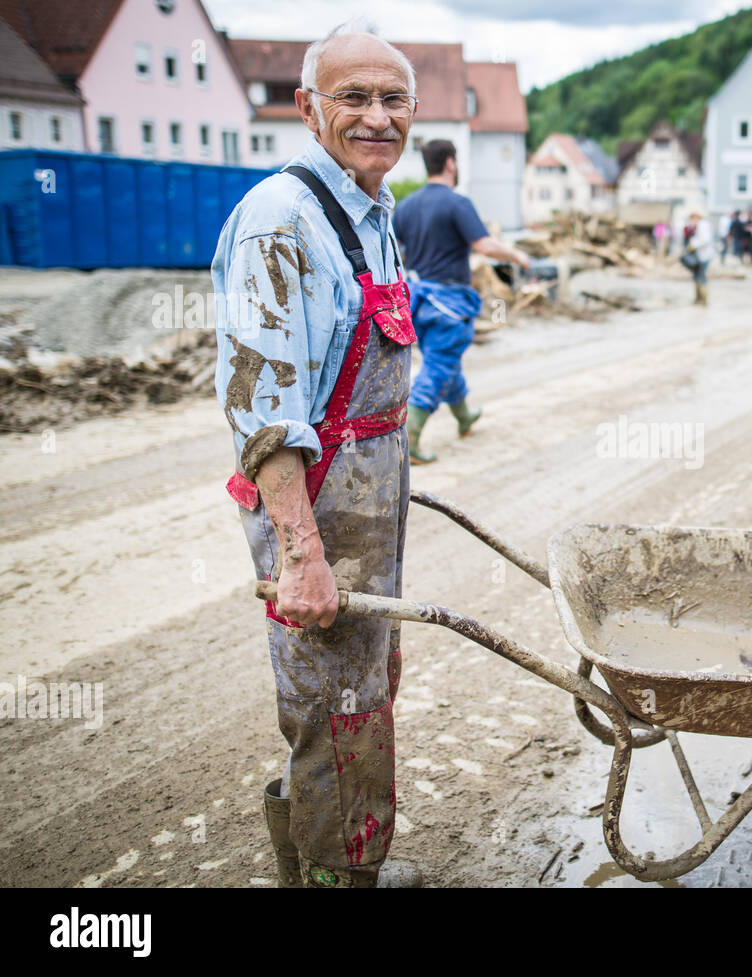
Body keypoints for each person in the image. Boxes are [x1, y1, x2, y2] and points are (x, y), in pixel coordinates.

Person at [212, 21, 425, 887]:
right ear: (308, 109)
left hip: (368, 503)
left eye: (393, 99)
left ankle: (315, 862)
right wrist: (302, 554)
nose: (377, 117)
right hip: (317, 508)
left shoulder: (375, 214)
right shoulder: (281, 220)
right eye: (354, 97)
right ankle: (342, 877)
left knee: (359, 691)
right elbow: (264, 414)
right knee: (335, 707)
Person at [394, 140, 530, 464]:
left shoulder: (406, 206)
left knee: (445, 359)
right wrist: (518, 255)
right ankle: (411, 436)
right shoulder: (458, 203)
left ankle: (465, 415)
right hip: (449, 303)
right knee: (439, 364)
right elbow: (484, 245)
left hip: (417, 302)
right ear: (451, 164)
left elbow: (391, 251)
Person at [682, 211, 714, 305]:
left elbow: (705, 240)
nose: (693, 220)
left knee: (701, 276)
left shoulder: (703, 226)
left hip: (704, 256)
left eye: (695, 218)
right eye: (692, 218)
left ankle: (704, 299)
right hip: (697, 256)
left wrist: (693, 245)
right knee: (696, 276)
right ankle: (697, 298)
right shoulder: (692, 227)